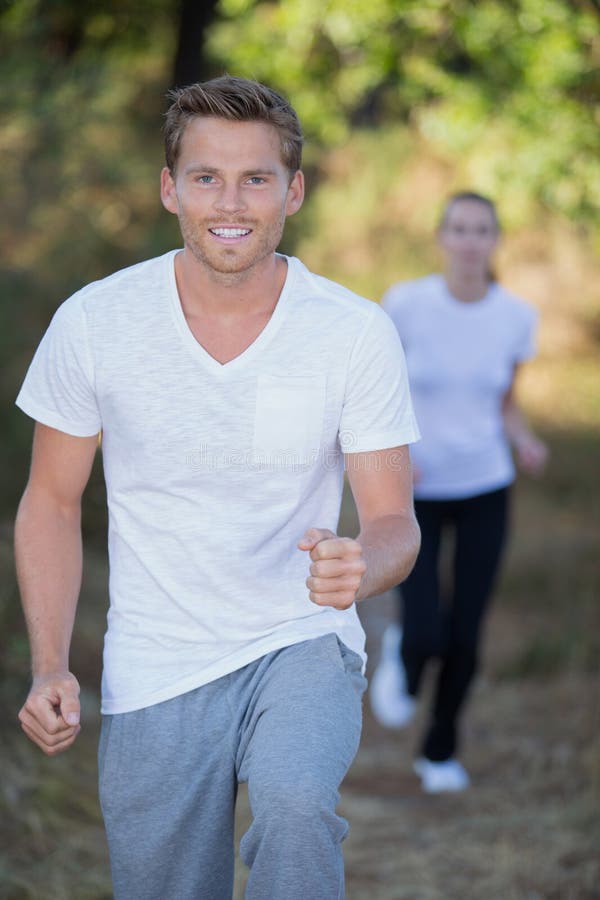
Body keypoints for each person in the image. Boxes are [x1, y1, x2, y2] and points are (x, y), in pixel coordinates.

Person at [14, 75, 421, 899]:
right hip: (156, 661)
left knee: (295, 804)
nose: (229, 202)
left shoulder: (353, 332)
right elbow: (52, 503)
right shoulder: (95, 323)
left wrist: (359, 567)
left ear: (293, 191)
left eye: (256, 178)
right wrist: (51, 664)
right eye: (206, 177)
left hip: (300, 639)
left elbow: (393, 522)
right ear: (170, 188)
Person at [369, 191, 548, 794]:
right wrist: (395, 455)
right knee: (426, 631)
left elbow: (506, 402)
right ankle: (404, 655)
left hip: (485, 487)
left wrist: (524, 441)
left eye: (482, 231)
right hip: (415, 488)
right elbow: (377, 392)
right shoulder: (407, 304)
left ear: (495, 241)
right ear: (442, 238)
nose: (471, 241)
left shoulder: (516, 316)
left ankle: (439, 751)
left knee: (467, 634)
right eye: (460, 229)